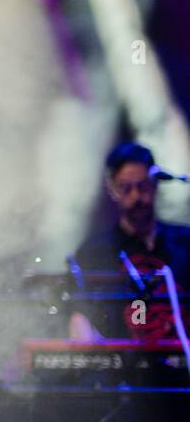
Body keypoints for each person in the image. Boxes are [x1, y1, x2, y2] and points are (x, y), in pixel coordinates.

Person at [70, 142, 190, 342]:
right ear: (112, 189)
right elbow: (79, 314)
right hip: (121, 369)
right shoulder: (95, 251)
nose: (136, 196)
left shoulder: (184, 241)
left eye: (142, 186)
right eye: (126, 188)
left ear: (155, 184)